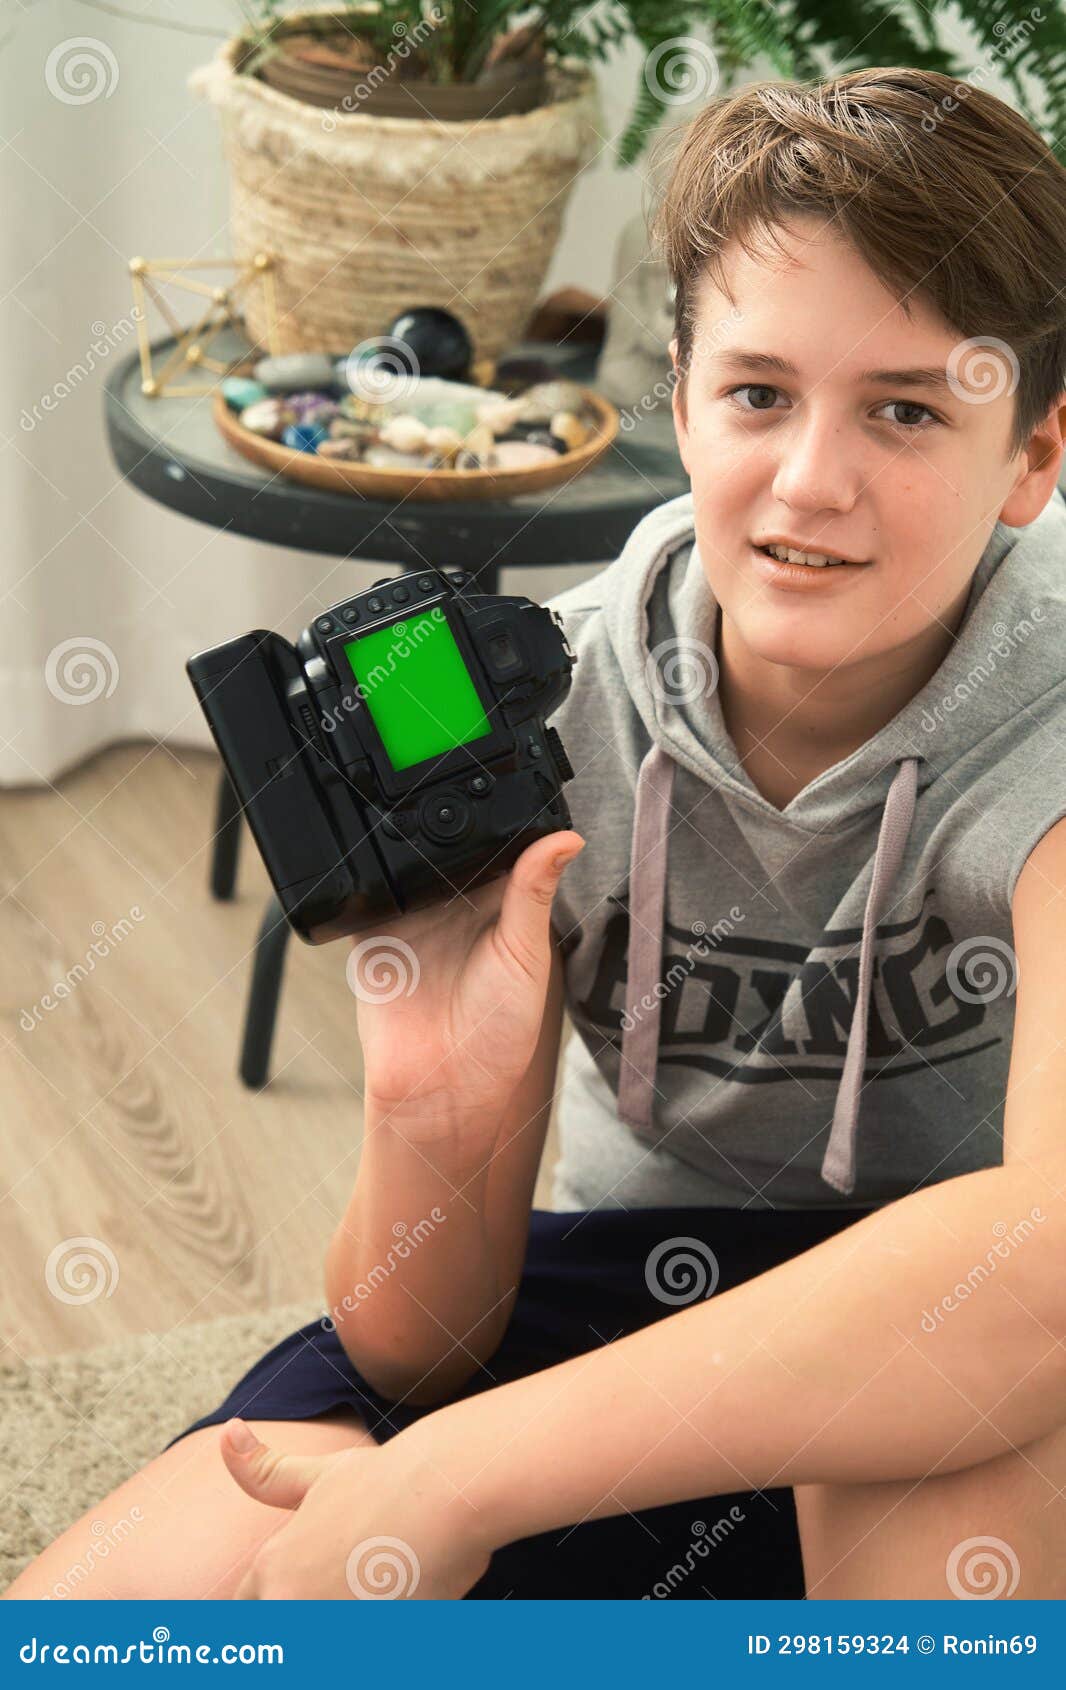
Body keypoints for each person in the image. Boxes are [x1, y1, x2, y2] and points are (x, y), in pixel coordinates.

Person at [8, 62, 1066, 1602]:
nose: (809, 481)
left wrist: (455, 1479)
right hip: (613, 1308)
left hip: (930, 1338)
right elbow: (417, 1340)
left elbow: (1039, 1270)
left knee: (930, 1617)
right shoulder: (536, 718)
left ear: (1032, 454)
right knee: (90, 1630)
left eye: (905, 409)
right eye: (757, 394)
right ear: (686, 396)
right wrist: (437, 1111)